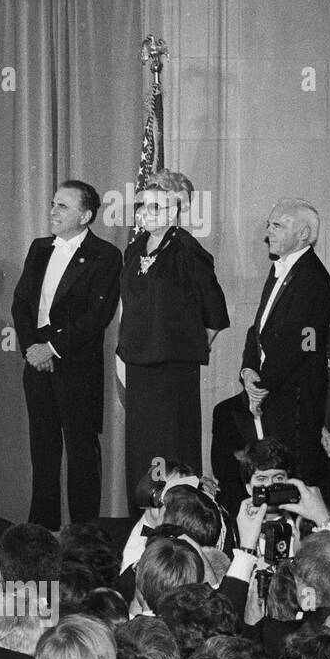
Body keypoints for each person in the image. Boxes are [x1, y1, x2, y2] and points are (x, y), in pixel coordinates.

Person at [11, 180, 122, 528]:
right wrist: (33, 348)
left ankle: (84, 534)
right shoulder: (39, 247)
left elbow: (97, 316)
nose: (53, 211)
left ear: (86, 215)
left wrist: (52, 348)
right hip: (36, 360)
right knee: (42, 452)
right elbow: (21, 303)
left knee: (81, 453)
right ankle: (41, 531)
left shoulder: (105, 255)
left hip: (76, 365)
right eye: (53, 204)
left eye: (63, 206)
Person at [211, 198, 330, 496]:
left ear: (303, 233)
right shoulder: (280, 269)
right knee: (226, 418)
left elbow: (304, 345)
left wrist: (261, 386)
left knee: (290, 472)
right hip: (269, 386)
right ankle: (235, 508)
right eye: (269, 224)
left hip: (293, 396)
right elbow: (259, 328)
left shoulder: (313, 279)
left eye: (278, 225)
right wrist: (249, 369)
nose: (269, 232)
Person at [118, 169, 229, 489]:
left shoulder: (187, 250)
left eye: (156, 205)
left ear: (176, 208)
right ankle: (143, 519)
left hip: (172, 371)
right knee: (142, 447)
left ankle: (179, 517)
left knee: (172, 445)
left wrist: (181, 344)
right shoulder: (135, 248)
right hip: (139, 364)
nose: (146, 213)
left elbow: (215, 313)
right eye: (143, 205)